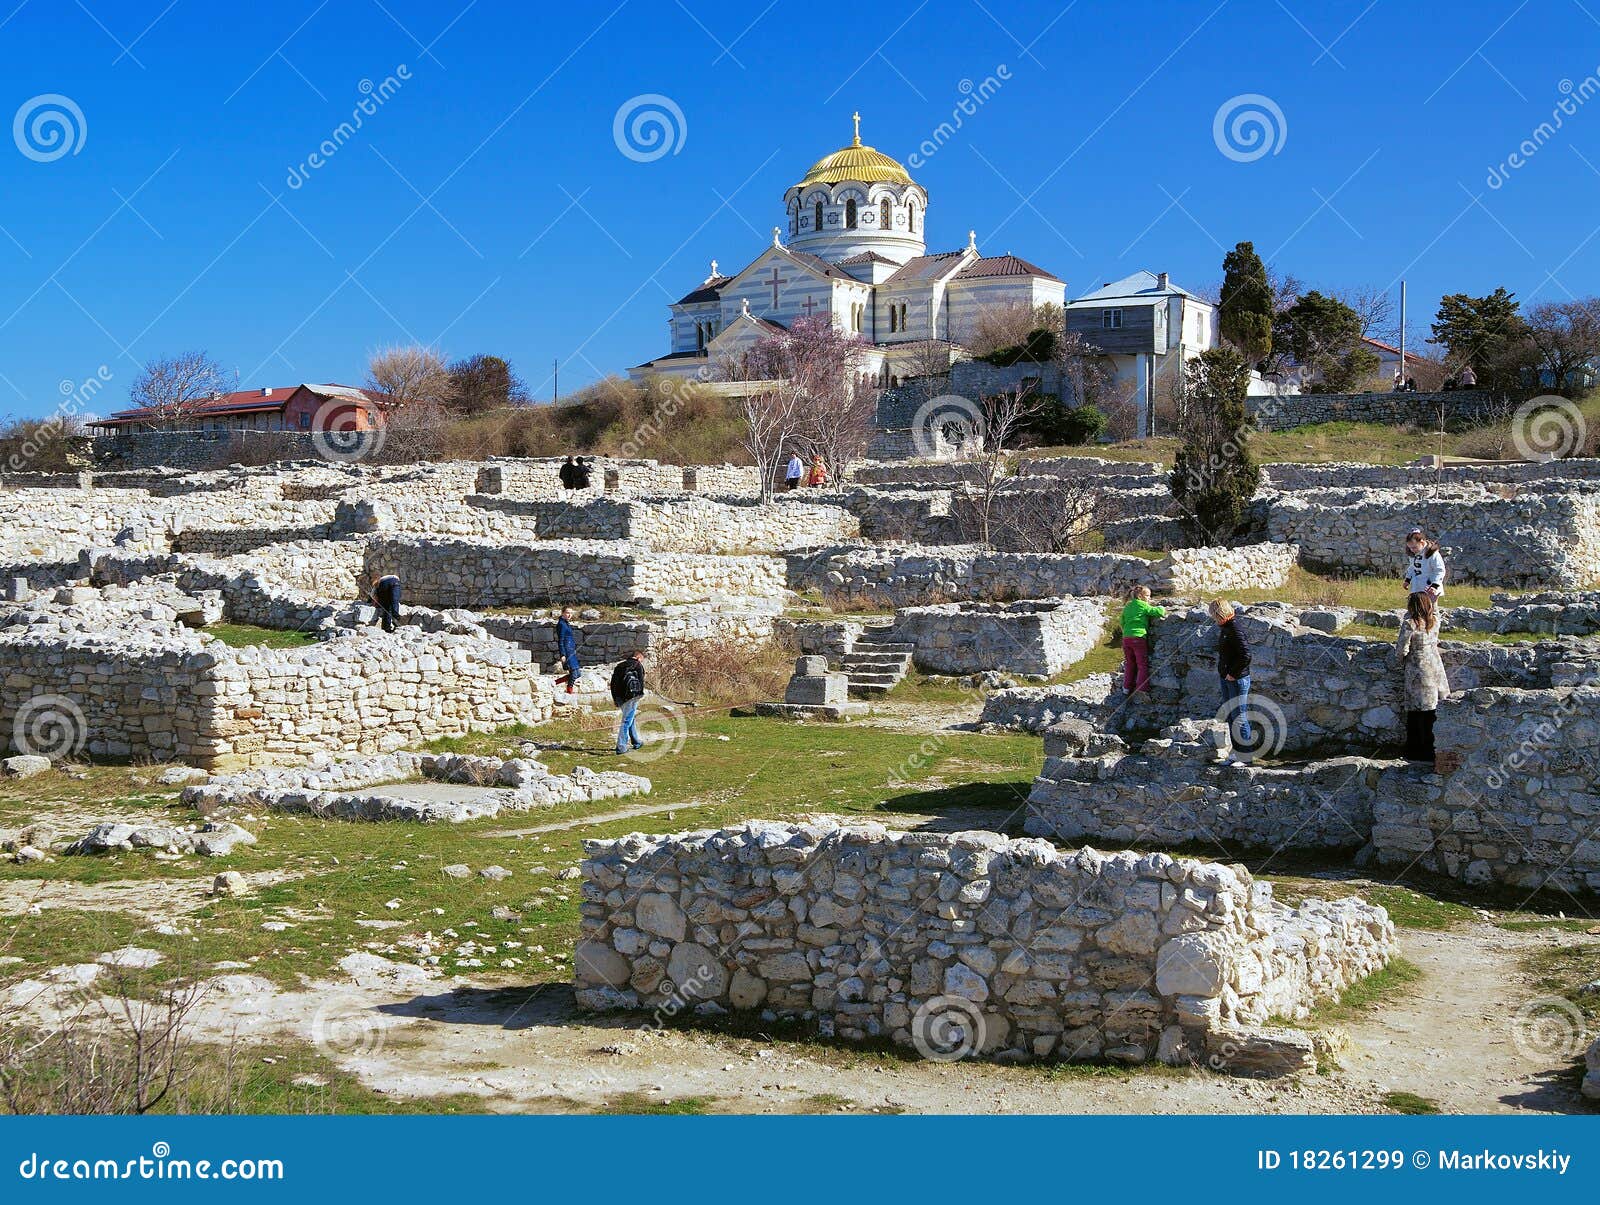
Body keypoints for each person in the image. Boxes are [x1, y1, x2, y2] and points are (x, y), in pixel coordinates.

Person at [1396, 589, 1450, 761]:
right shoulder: (1434, 622)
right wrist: (1433, 600)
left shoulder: (1410, 624)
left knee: (1415, 711)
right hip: (1435, 666)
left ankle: (1416, 751)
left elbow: (1401, 650)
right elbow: (1435, 611)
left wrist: (1401, 661)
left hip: (1417, 668)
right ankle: (1431, 748)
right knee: (1431, 709)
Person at [1209, 600, 1255, 764]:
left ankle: (1246, 756)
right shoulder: (1226, 628)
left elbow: (1246, 656)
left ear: (1221, 615)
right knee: (1231, 716)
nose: (1215, 620)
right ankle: (1236, 754)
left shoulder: (1235, 629)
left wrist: (1233, 674)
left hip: (1237, 679)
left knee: (1239, 717)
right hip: (1227, 677)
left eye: (1215, 617)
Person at [1119, 585, 1166, 694]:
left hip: (1126, 639)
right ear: (1140, 596)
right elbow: (1157, 612)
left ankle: (1126, 688)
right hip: (1138, 638)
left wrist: (1126, 632)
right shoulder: (1143, 605)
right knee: (1142, 664)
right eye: (1148, 596)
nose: (1150, 598)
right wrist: (1162, 608)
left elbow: (1122, 622)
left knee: (1130, 663)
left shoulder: (1128, 606)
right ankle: (1142, 688)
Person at [609, 650, 647, 755]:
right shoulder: (638, 665)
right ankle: (621, 746)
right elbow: (641, 681)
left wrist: (615, 699)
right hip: (632, 696)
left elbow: (613, 684)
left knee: (630, 718)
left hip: (621, 697)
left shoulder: (619, 666)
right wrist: (640, 694)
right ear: (639, 658)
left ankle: (636, 741)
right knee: (626, 721)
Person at [1402, 527, 1446, 599]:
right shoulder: (1413, 554)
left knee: (1430, 608)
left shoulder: (1433, 554)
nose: (1412, 550)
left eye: (1414, 547)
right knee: (1416, 607)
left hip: (1430, 588)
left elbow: (1440, 570)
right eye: (1410, 547)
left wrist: (1434, 585)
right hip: (1417, 587)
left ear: (1422, 543)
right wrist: (1407, 580)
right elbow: (1412, 567)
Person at [554, 606, 582, 693]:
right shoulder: (561, 624)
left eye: (571, 613)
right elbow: (561, 640)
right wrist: (562, 654)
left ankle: (556, 682)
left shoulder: (566, 623)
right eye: (567, 613)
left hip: (571, 651)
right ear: (562, 613)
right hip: (567, 651)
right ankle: (569, 690)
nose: (569, 615)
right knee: (573, 673)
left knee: (578, 674)